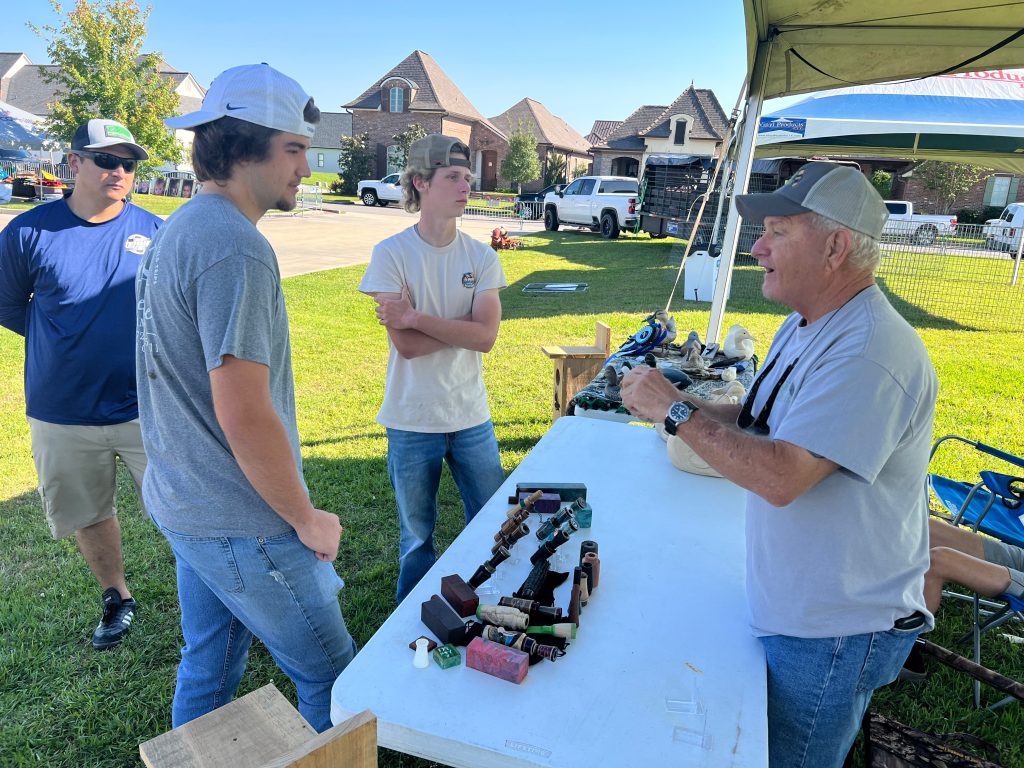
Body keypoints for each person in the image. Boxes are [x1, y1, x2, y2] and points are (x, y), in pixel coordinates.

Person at [621, 162, 938, 768]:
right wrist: (682, 401)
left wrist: (673, 413)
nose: (757, 247)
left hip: (835, 629)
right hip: (804, 608)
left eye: (777, 233)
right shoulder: (809, 322)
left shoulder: (869, 351)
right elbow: (762, 415)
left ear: (836, 246)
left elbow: (783, 474)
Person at [135, 64, 356, 731]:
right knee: (331, 673)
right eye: (293, 148)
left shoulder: (181, 229)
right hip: (242, 520)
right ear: (240, 148)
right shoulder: (234, 247)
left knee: (210, 661)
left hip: (187, 501)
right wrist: (306, 519)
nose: (306, 166)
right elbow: (245, 411)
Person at [0, 119, 158, 650]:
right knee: (89, 512)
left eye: (128, 163)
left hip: (149, 407)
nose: (119, 171)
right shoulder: (27, 231)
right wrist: (63, 338)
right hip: (62, 411)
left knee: (185, 506)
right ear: (74, 164)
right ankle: (117, 597)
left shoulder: (156, 232)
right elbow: (8, 306)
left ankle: (212, 596)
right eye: (106, 160)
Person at [359, 134, 507, 603]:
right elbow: (404, 346)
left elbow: (486, 337)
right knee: (416, 539)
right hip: (411, 419)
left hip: (471, 417)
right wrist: (438, 327)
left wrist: (417, 317)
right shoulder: (392, 254)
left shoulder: (481, 256)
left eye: (467, 177)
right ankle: (413, 623)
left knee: (492, 524)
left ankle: (492, 603)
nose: (467, 186)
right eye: (453, 177)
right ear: (421, 182)